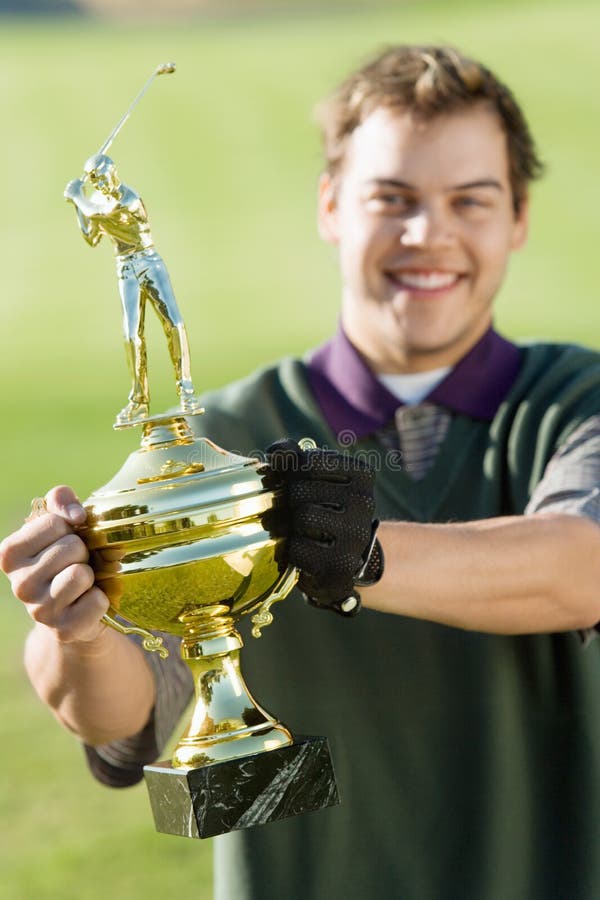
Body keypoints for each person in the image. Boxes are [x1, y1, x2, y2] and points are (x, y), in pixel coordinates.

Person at [3, 44, 600, 900]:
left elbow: (581, 565)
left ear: (519, 218)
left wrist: (360, 551)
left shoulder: (575, 400)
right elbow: (123, 719)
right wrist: (80, 627)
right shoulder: (228, 439)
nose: (427, 234)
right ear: (330, 206)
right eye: (391, 198)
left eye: (470, 200)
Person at [64, 154, 200, 425]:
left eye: (104, 177)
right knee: (131, 333)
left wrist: (77, 196)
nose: (103, 183)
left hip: (149, 262)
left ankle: (186, 390)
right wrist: (77, 206)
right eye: (97, 180)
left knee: (172, 321)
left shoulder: (128, 198)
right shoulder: (98, 201)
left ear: (113, 173)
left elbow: (102, 214)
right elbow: (91, 237)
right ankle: (139, 400)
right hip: (125, 268)